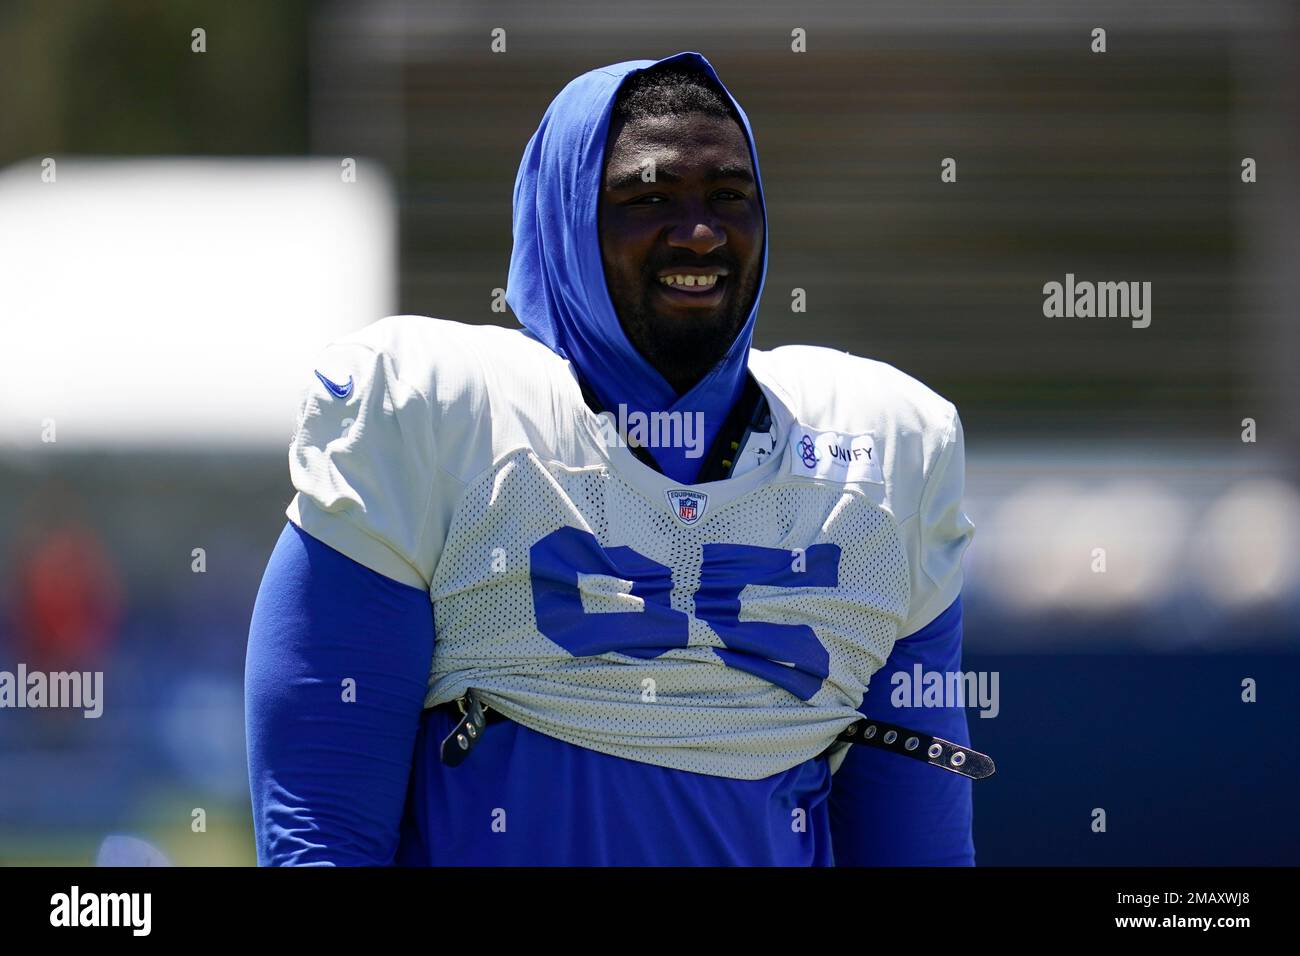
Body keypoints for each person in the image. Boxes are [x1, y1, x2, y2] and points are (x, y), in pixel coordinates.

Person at [245, 51, 978, 866]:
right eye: (648, 197)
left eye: (728, 196)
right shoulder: (434, 416)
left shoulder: (884, 457)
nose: (699, 231)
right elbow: (321, 830)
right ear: (565, 223)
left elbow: (918, 844)